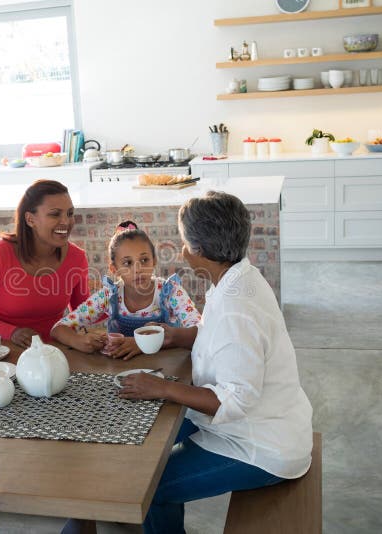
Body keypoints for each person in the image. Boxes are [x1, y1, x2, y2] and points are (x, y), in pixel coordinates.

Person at [119, 191, 313, 534]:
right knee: (144, 434)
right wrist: (177, 336)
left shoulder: (236, 309)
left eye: (183, 242)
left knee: (152, 487)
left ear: (199, 252)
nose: (181, 250)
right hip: (259, 420)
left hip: (262, 445)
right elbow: (225, 340)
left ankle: (137, 506)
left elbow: (235, 400)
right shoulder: (239, 277)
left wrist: (163, 387)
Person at [0, 179, 89, 347]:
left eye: (70, 213)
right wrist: (11, 332)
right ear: (30, 219)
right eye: (55, 214)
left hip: (52, 351)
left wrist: (120, 301)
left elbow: (83, 314)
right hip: (1, 352)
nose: (66, 221)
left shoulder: (77, 258)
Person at [51, 221, 200, 358]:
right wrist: (79, 341)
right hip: (122, 375)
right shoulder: (109, 296)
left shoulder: (170, 292)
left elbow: (199, 332)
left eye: (144, 260)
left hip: (167, 374)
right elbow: (58, 329)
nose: (137, 269)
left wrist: (143, 343)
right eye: (127, 263)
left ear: (154, 260)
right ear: (114, 269)